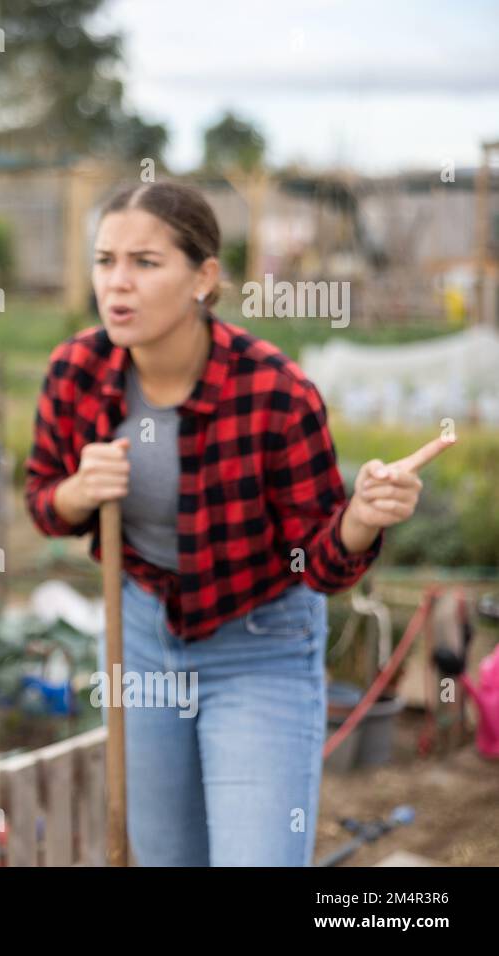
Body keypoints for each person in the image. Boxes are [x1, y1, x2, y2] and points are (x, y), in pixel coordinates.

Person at [24, 181, 452, 866]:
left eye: (145, 262)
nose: (118, 283)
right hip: (140, 635)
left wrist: (360, 520)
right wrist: (78, 491)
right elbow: (41, 500)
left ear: (204, 277)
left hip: (259, 641)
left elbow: (317, 562)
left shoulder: (276, 393)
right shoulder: (76, 372)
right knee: (168, 858)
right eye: (105, 261)